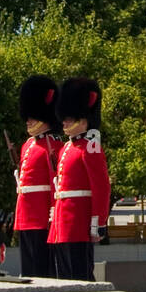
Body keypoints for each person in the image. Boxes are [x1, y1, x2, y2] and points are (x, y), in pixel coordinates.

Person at [49, 77, 110, 281]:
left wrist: (98, 222)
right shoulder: (66, 147)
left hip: (78, 223)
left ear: (83, 119)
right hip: (62, 223)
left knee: (81, 276)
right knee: (64, 276)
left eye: (69, 118)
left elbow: (101, 187)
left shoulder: (91, 147)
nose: (64, 122)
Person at [14, 75, 61, 278]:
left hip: (42, 216)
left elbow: (55, 183)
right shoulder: (27, 145)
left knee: (42, 270)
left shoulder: (54, 145)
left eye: (32, 116)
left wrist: (53, 213)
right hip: (25, 215)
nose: (28, 120)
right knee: (28, 270)